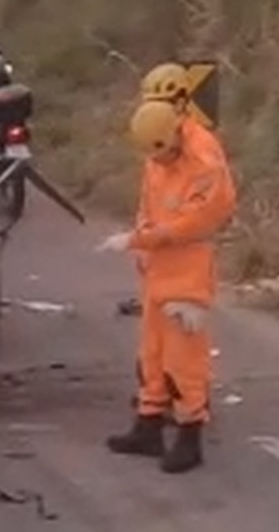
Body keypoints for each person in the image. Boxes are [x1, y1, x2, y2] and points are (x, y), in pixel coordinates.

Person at [101, 96, 237, 475]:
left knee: (185, 359)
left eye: (159, 154)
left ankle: (190, 434)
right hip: (159, 266)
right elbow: (148, 204)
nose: (155, 162)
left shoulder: (203, 162)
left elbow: (197, 221)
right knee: (153, 353)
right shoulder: (157, 156)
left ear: (174, 136)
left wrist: (140, 240)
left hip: (189, 269)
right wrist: (141, 240)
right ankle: (148, 425)